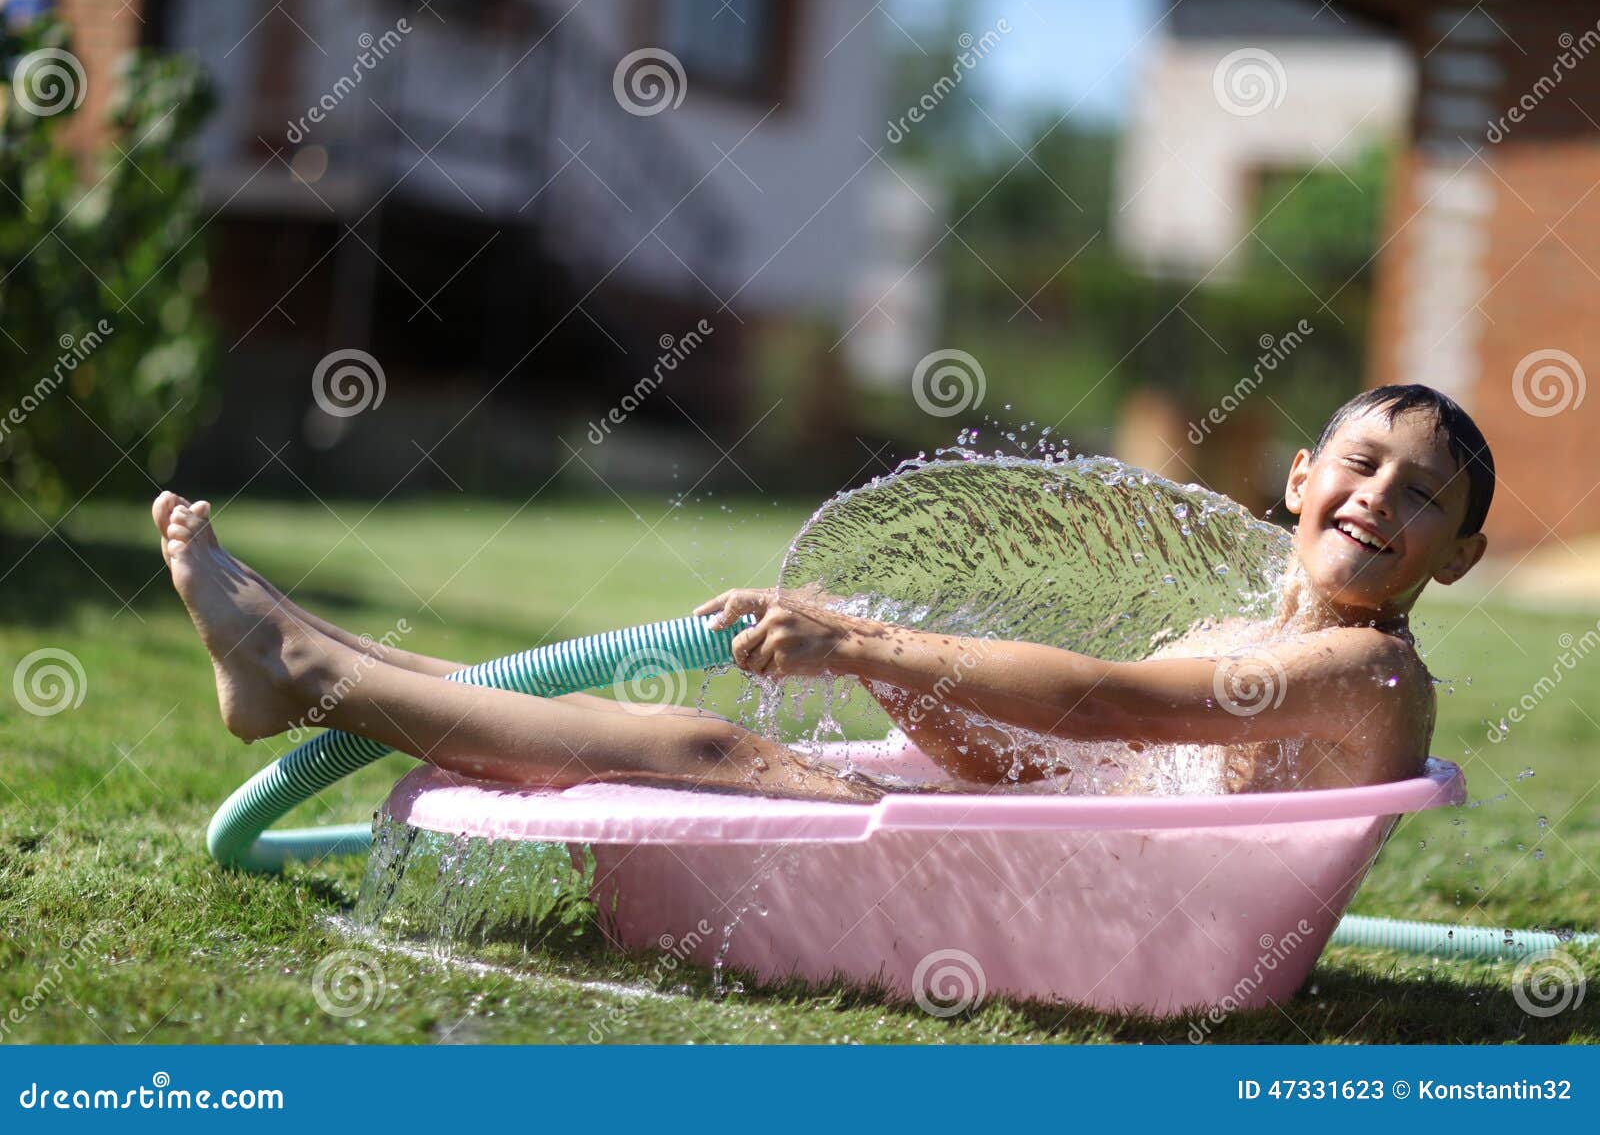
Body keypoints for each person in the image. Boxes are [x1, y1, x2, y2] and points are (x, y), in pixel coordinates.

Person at [155, 383, 1491, 799]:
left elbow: (1089, 703)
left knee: (718, 749)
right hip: (1064, 869)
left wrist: (863, 630)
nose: (1381, 498)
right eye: (1364, 465)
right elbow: (1041, 776)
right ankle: (302, 652)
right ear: (1305, 476)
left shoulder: (1367, 674)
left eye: (1424, 494)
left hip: (1105, 916)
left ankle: (315, 674)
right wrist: (881, 671)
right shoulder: (1246, 631)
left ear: (1460, 554)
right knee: (696, 730)